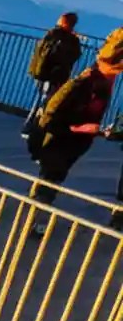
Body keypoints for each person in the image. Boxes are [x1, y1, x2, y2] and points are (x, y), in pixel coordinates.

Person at [29, 27, 123, 235]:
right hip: (59, 142)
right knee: (49, 180)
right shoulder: (81, 85)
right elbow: (50, 120)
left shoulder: (101, 85)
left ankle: (36, 219)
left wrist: (97, 132)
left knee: (53, 178)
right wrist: (82, 128)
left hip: (74, 144)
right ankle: (36, 223)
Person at [24, 13, 84, 154]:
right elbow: (69, 55)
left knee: (41, 100)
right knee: (45, 102)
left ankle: (30, 126)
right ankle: (34, 128)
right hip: (53, 75)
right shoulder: (66, 39)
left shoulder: (52, 34)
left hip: (44, 74)